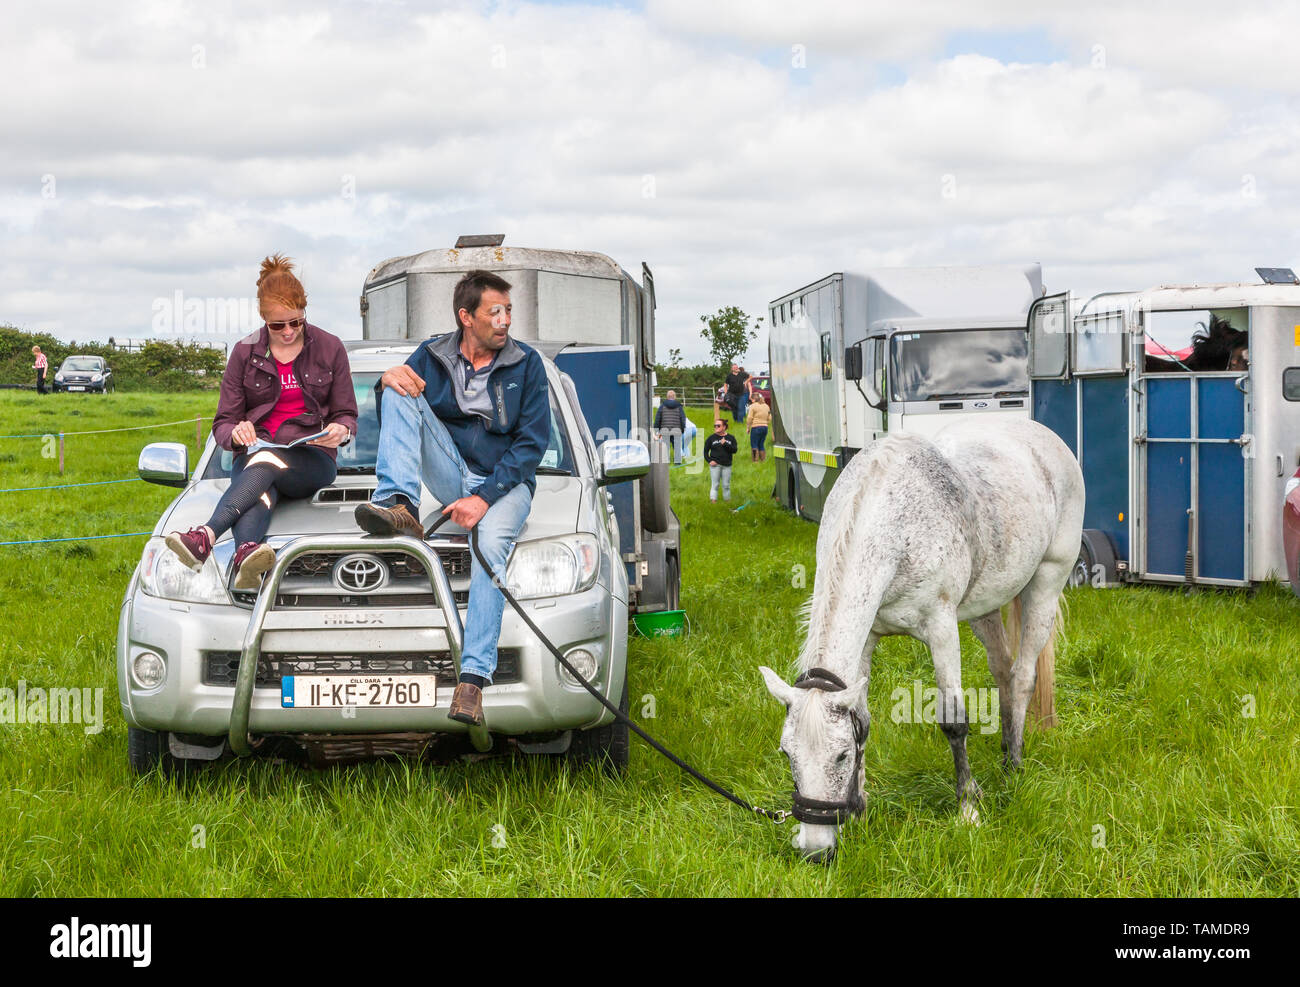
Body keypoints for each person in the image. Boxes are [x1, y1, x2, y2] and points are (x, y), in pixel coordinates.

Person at [352, 269, 548, 728]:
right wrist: (385, 381)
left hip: (506, 484)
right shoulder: (432, 355)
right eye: (494, 312)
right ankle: (399, 503)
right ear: (466, 317)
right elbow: (397, 414)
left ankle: (473, 679)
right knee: (398, 384)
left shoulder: (527, 364)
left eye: (508, 311)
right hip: (451, 471)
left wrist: (483, 499)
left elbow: (531, 446)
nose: (505, 320)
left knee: (489, 546)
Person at [164, 255, 357, 589]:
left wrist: (341, 431)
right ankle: (247, 554)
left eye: (296, 322)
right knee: (262, 490)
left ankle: (205, 536)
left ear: (304, 311)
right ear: (263, 318)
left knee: (265, 460)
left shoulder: (330, 347)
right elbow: (224, 423)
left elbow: (346, 414)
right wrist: (237, 433)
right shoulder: (244, 352)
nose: (288, 331)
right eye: (277, 325)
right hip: (255, 459)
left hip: (312, 460)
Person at [703, 418, 738, 503]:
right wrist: (709, 461)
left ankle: (727, 501)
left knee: (726, 485)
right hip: (715, 465)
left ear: (724, 427)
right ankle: (713, 501)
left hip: (727, 465)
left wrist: (725, 444)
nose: (716, 427)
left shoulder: (731, 438)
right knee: (715, 484)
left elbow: (734, 450)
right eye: (715, 425)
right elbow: (705, 451)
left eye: (718, 426)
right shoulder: (711, 438)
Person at [653, 389, 687, 465]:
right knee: (677, 447)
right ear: (674, 397)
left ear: (667, 397)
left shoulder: (662, 406)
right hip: (676, 430)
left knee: (666, 447)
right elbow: (683, 418)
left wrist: (656, 429)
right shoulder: (679, 406)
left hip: (665, 430)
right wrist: (682, 429)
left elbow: (658, 418)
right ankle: (677, 463)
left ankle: (666, 462)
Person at [745, 392, 770, 462]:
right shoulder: (766, 406)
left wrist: (748, 427)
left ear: (753, 399)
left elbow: (750, 418)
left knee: (754, 445)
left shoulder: (752, 406)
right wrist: (765, 423)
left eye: (751, 400)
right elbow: (769, 417)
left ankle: (755, 461)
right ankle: (763, 460)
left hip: (756, 427)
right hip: (765, 427)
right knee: (761, 444)